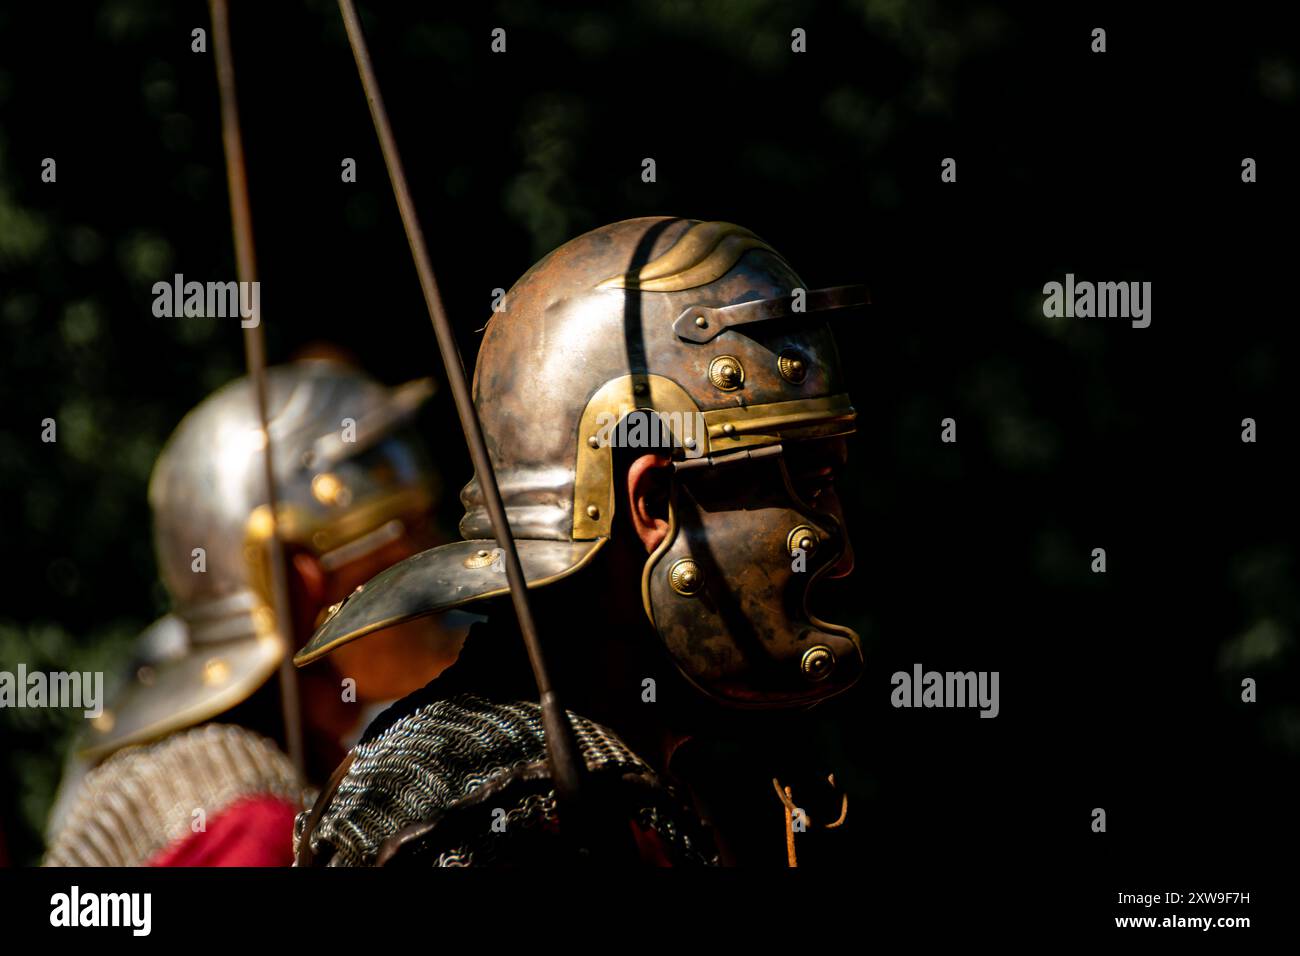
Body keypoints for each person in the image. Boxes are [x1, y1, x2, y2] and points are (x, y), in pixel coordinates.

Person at [293, 218, 867, 866]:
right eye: (811, 484)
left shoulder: (574, 781)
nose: (843, 557)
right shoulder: (523, 822)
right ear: (654, 503)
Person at [44, 357, 464, 866]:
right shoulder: (249, 825)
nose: (435, 553)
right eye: (408, 533)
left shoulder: (245, 772)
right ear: (297, 584)